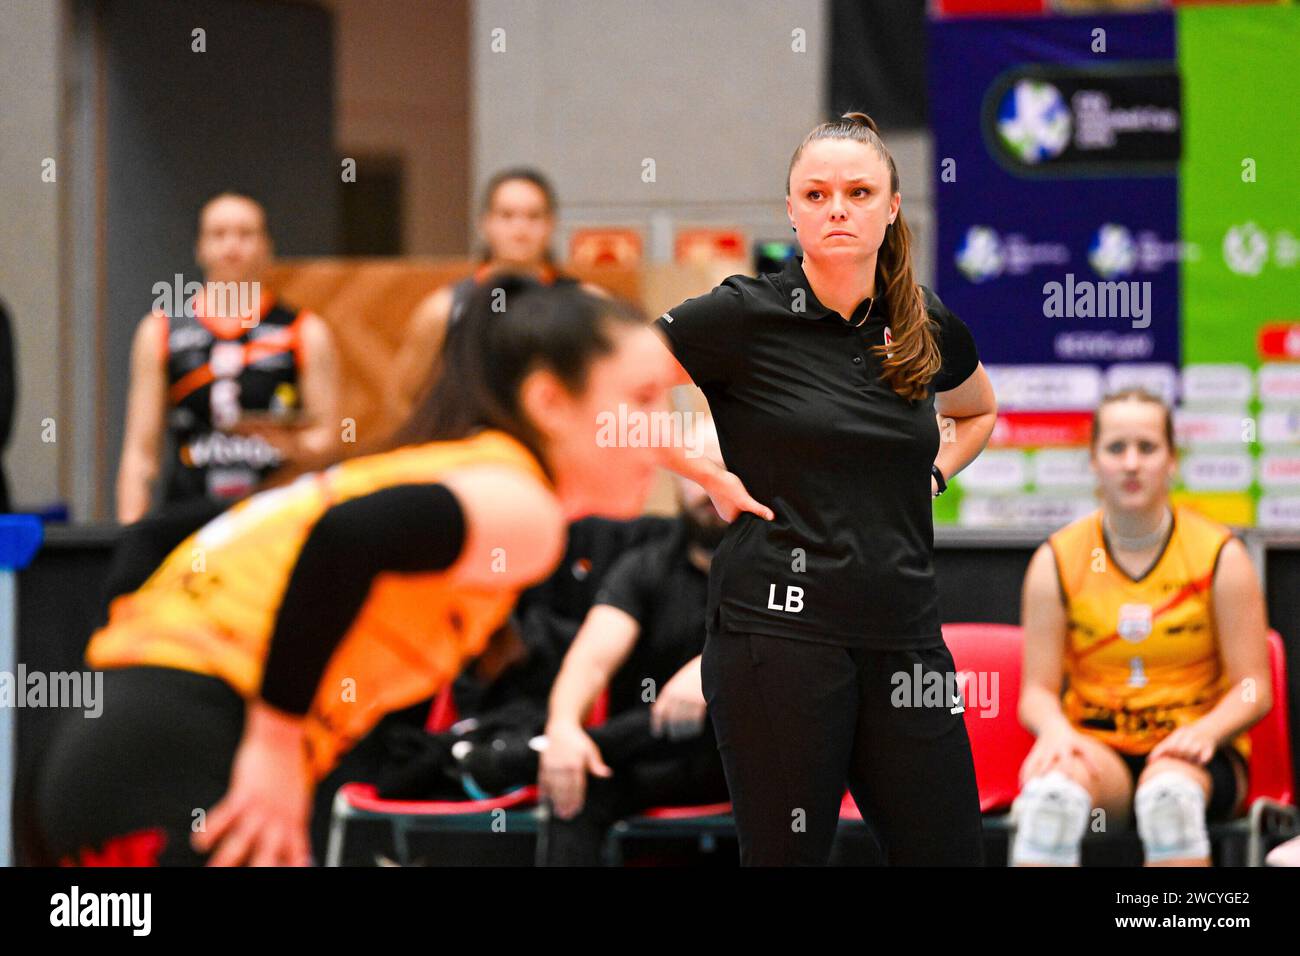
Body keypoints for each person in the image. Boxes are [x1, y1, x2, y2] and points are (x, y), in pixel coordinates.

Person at [35, 277, 677, 866]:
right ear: (548, 402)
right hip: (178, 748)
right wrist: (276, 742)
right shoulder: (522, 504)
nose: (663, 429)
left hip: (115, 742)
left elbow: (161, 540)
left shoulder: (456, 467)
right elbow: (344, 537)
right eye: (642, 400)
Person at [646, 112, 999, 865]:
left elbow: (977, 410)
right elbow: (610, 388)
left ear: (893, 207)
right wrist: (703, 470)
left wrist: (935, 470)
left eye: (859, 191)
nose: (838, 207)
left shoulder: (924, 322)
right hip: (777, 632)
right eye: (817, 193)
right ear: (793, 211)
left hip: (905, 634)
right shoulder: (742, 315)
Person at [1012, 388, 1273, 867]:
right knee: (1050, 803)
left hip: (1195, 753)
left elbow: (1255, 689)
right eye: (1116, 448)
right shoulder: (1057, 559)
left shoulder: (1221, 556)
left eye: (1147, 448)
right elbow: (1036, 691)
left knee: (1168, 802)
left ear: (1172, 459)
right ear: (1093, 460)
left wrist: (1209, 732)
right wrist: (1053, 731)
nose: (1131, 463)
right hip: (1098, 749)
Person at [537, 419, 731, 865]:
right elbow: (590, 659)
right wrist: (564, 727)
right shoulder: (646, 565)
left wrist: (713, 665)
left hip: (751, 758)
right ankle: (543, 750)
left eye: (721, 471)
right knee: (577, 782)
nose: (707, 488)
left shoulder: (778, 565)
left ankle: (513, 757)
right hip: (658, 748)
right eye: (695, 474)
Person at [115, 191, 340, 524]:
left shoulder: (304, 331)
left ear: (267, 246)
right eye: (218, 234)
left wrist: (284, 444)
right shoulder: (160, 330)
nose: (232, 246)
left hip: (273, 518)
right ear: (199, 248)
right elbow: (140, 452)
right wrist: (130, 534)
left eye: (246, 234)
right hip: (186, 514)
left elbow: (330, 438)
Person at [390, 168, 604, 419]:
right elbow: (400, 398)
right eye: (507, 215)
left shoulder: (587, 303)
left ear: (551, 224)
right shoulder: (444, 309)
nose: (520, 228)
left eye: (533, 216)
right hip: (473, 447)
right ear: (485, 223)